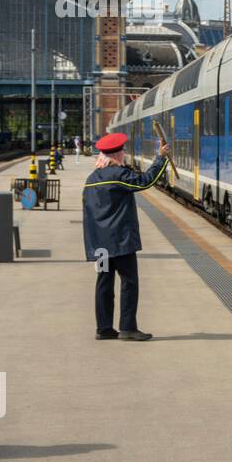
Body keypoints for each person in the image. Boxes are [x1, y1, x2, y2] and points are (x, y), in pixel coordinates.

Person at [83, 132, 169, 341]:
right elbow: (144, 182)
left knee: (104, 282)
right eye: (122, 151)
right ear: (117, 154)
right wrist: (161, 158)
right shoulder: (118, 175)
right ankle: (128, 328)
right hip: (120, 242)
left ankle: (103, 328)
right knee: (129, 282)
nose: (123, 154)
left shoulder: (92, 179)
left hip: (100, 245)